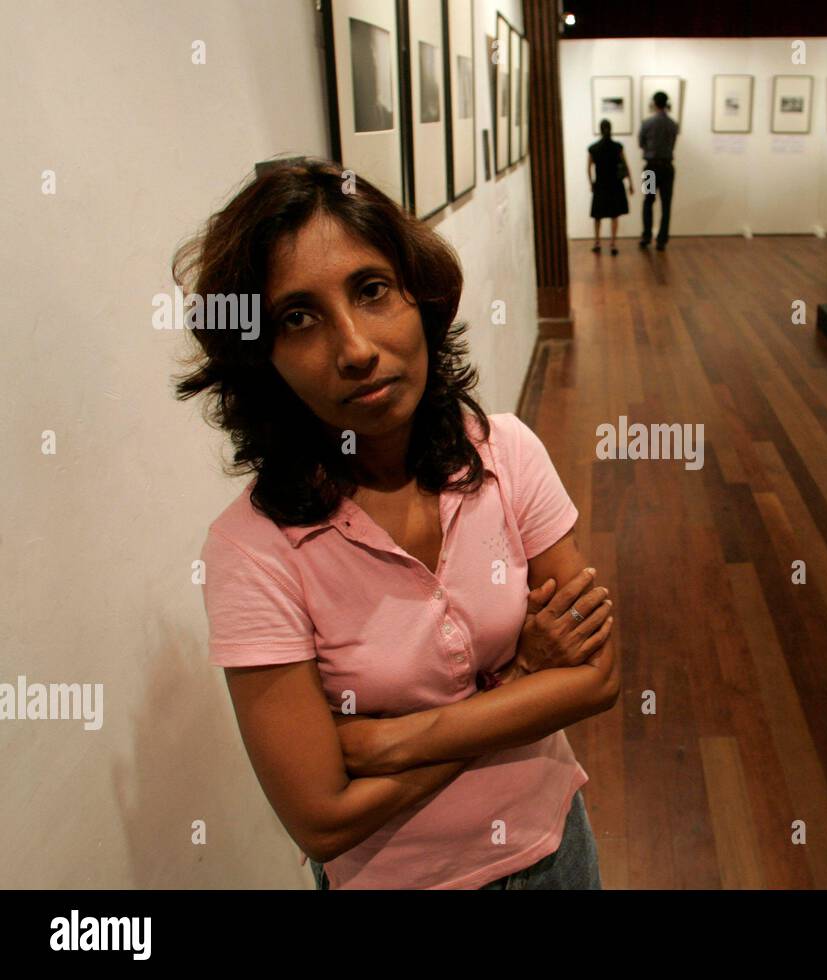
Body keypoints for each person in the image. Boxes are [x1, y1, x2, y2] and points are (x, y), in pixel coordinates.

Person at [172, 159, 620, 889]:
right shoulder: (251, 551)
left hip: (554, 850)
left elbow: (597, 678)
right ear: (263, 359)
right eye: (298, 318)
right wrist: (523, 678)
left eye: (372, 290)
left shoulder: (507, 452)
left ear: (421, 296)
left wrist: (383, 743)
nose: (354, 349)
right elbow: (322, 819)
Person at [637, 90, 679, 251]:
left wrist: (650, 149)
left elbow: (641, 143)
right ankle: (662, 239)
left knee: (648, 201)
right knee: (666, 204)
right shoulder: (673, 124)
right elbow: (672, 145)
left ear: (654, 103)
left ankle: (646, 236)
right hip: (667, 167)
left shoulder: (647, 123)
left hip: (651, 167)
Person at [587, 119, 634, 255]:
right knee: (614, 214)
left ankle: (597, 242)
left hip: (600, 184)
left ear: (600, 130)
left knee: (597, 215)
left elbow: (588, 168)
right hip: (615, 184)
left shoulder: (593, 148)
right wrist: (630, 184)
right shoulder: (617, 147)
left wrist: (591, 183)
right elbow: (626, 166)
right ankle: (613, 243)